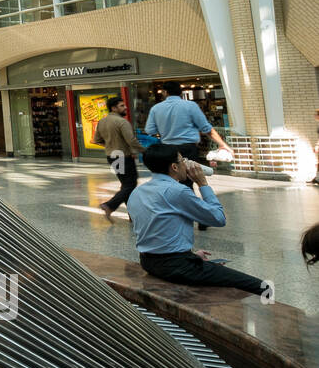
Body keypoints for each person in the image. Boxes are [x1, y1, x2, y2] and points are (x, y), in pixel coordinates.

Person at [127, 144, 266, 294]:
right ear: (174, 167)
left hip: (148, 262)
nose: (186, 163)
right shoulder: (177, 191)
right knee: (263, 287)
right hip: (177, 267)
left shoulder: (137, 192)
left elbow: (158, 231)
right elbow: (218, 218)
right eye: (183, 160)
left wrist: (189, 255)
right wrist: (202, 184)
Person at [144, 81, 232, 231]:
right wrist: (223, 144)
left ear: (165, 92)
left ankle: (180, 214)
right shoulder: (190, 106)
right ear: (180, 92)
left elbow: (150, 130)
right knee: (190, 181)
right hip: (188, 149)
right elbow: (206, 129)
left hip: (167, 149)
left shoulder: (156, 108)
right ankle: (201, 216)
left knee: (169, 182)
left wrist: (166, 131)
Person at [96, 95, 143, 221]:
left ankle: (132, 215)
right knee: (130, 185)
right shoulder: (122, 122)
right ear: (114, 108)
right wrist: (144, 150)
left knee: (126, 185)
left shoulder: (102, 121)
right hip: (123, 156)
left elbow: (97, 140)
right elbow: (131, 140)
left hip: (111, 156)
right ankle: (109, 205)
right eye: (122, 106)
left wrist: (111, 144)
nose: (125, 107)